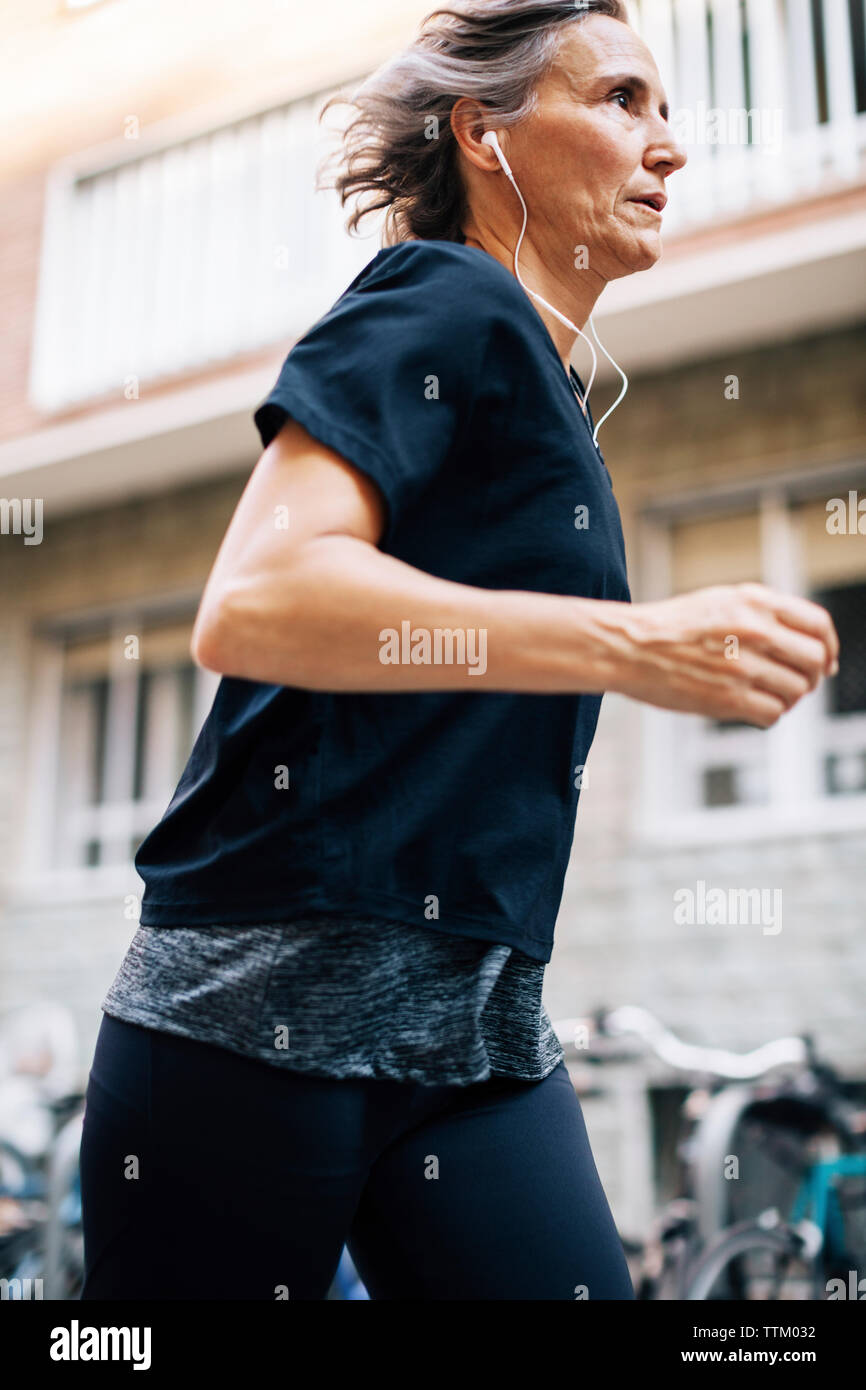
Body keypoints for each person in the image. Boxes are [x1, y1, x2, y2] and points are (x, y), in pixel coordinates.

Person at [79, 0, 838, 1301]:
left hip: (477, 1029)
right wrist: (634, 643)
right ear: (483, 132)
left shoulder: (549, 392)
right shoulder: (441, 295)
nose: (668, 146)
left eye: (665, 109)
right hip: (258, 1011)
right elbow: (256, 599)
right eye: (618, 101)